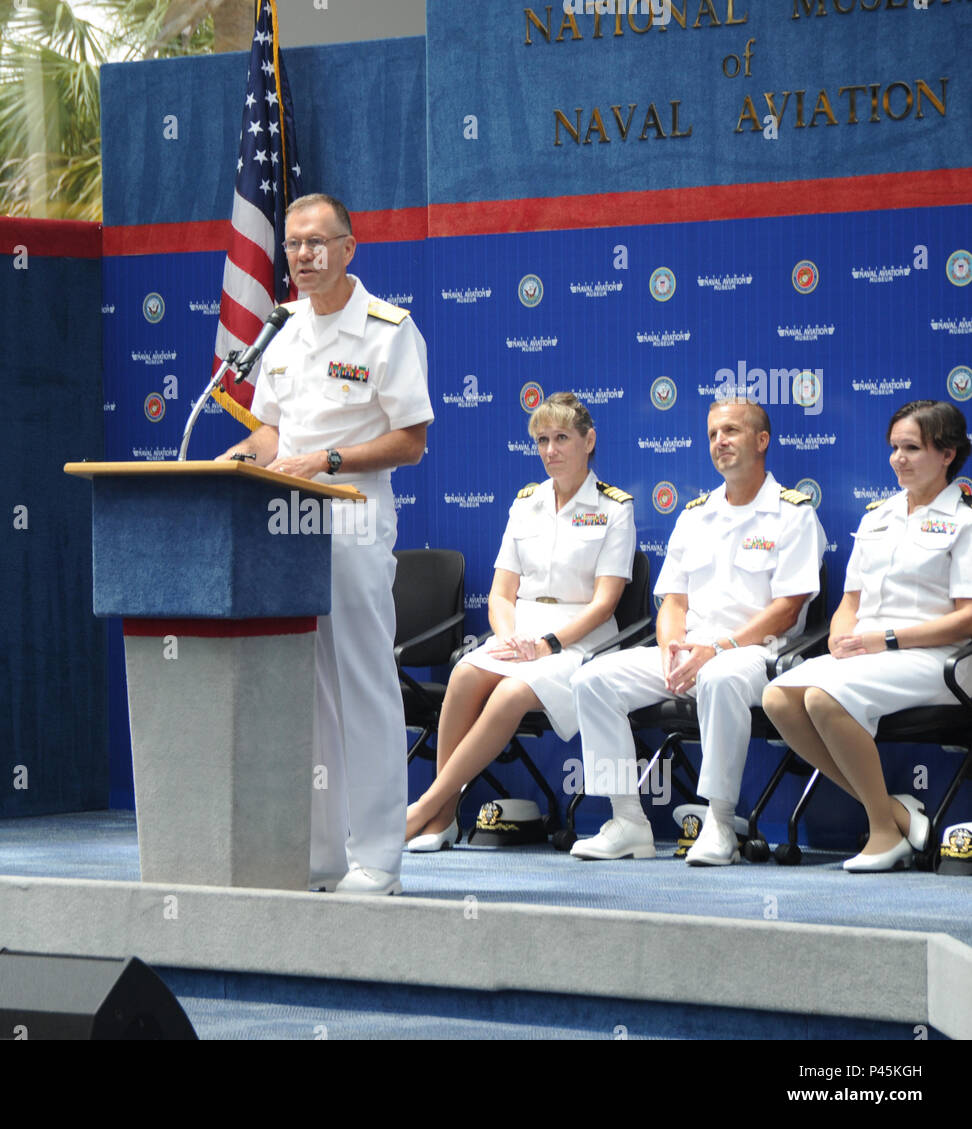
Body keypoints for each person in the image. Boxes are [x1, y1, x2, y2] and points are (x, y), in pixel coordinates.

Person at [217, 193, 433, 895]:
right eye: (293, 245)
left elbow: (412, 439)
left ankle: (378, 857)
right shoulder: (280, 331)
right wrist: (247, 451)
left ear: (349, 248)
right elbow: (277, 431)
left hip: (352, 520)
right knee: (309, 693)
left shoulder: (387, 329)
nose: (303, 256)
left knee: (363, 684)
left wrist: (329, 461)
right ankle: (322, 855)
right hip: (286, 525)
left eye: (316, 243)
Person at [568, 397, 825, 865]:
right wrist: (671, 651)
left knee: (719, 676)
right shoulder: (695, 515)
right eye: (712, 435)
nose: (719, 442)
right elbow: (673, 602)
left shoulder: (793, 514)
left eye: (731, 431)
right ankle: (628, 821)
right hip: (690, 650)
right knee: (592, 679)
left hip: (759, 655)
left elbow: (788, 609)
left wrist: (715, 649)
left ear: (762, 440)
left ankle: (720, 822)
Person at [403, 393, 635, 851]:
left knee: (510, 692)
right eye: (543, 440)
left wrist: (548, 644)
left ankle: (425, 805)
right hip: (520, 630)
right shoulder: (524, 503)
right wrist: (508, 638)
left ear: (589, 441)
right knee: (466, 673)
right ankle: (445, 817)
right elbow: (501, 593)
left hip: (580, 642)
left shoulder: (615, 508)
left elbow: (605, 605)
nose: (551, 450)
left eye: (562, 438)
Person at [763, 400, 972, 872]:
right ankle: (895, 811)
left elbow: (967, 619)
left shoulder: (966, 519)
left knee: (821, 698)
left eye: (913, 448)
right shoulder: (878, 515)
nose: (899, 458)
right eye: (894, 447)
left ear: (947, 454)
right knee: (777, 697)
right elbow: (850, 603)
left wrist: (887, 640)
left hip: (941, 660)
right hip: (870, 654)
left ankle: (882, 830)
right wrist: (839, 636)